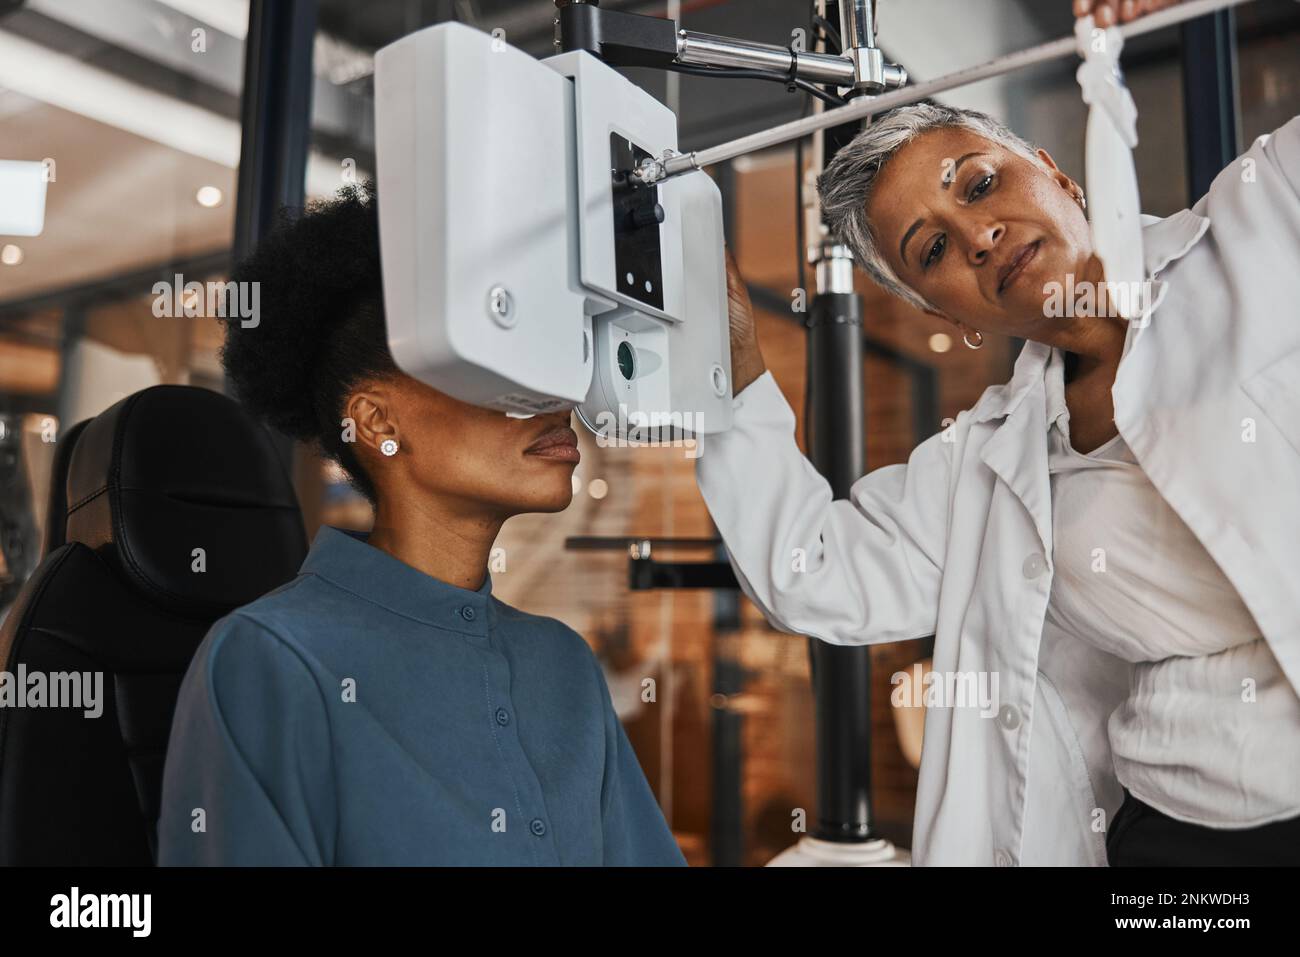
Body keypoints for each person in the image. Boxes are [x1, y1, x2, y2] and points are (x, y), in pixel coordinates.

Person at [702, 46, 1300, 864]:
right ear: (946, 311)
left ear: (1058, 174)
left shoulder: (1267, 216)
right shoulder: (986, 462)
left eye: (979, 184)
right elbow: (810, 570)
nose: (978, 236)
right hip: (1187, 840)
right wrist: (733, 360)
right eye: (932, 251)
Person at [156, 184, 685, 866]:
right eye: (503, 368)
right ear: (378, 422)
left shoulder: (563, 666)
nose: (560, 399)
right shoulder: (270, 662)